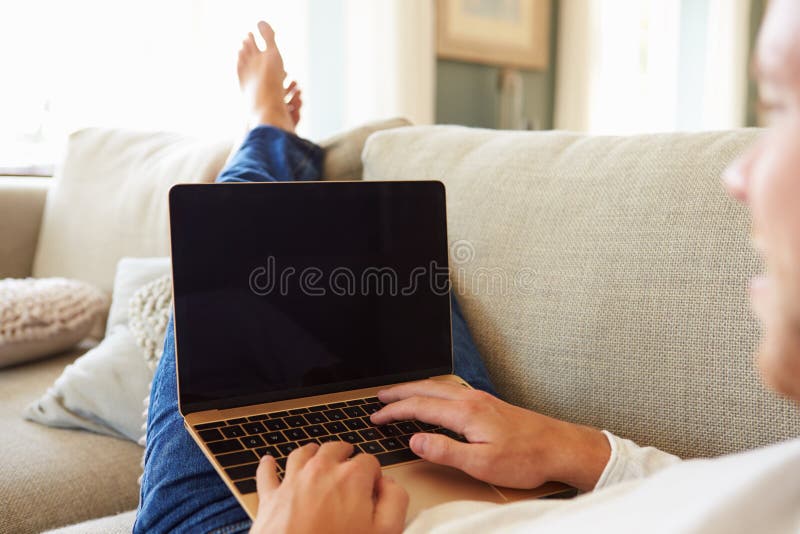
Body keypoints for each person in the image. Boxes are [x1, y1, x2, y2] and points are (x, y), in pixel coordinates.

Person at [136, 0, 800, 530]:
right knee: (398, 280)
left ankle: (266, 135)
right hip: (511, 478)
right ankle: (269, 141)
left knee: (219, 284)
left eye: (781, 109)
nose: (740, 174)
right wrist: (573, 449)